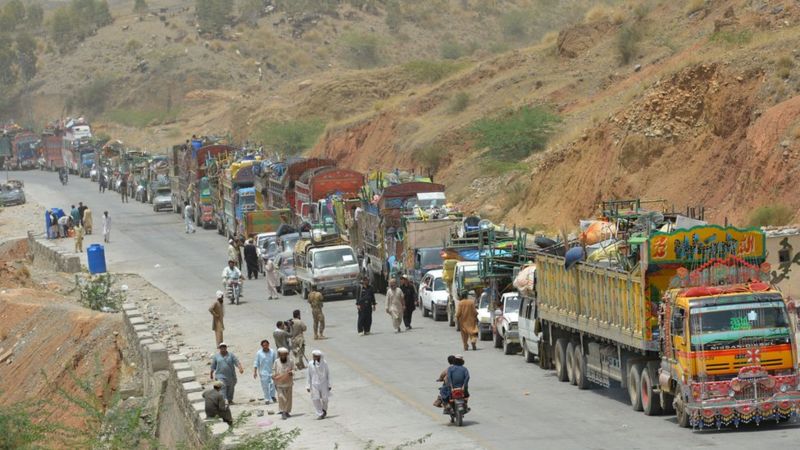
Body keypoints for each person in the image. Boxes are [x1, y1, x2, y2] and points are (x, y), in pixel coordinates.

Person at [306, 349, 331, 419]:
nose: (314, 357)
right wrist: (308, 386)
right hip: (314, 384)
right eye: (313, 356)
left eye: (316, 356)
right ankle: (320, 413)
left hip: (324, 383)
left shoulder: (324, 363)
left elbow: (328, 374)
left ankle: (324, 410)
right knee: (315, 399)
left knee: (325, 399)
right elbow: (309, 375)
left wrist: (329, 385)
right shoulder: (310, 364)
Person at [272, 347, 294, 420]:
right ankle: (283, 411)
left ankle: (286, 411)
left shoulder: (290, 361)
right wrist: (274, 376)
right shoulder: (276, 361)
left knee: (288, 398)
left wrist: (291, 373)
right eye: (281, 355)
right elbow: (273, 370)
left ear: (287, 354)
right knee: (281, 398)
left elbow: (294, 370)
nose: (283, 356)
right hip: (279, 383)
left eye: (284, 355)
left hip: (288, 382)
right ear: (279, 355)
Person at [253, 339, 277, 405]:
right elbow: (256, 362)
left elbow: (276, 361)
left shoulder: (272, 352)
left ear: (268, 345)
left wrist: (277, 371)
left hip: (272, 371)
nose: (265, 346)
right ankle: (267, 399)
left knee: (273, 384)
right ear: (262, 346)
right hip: (263, 372)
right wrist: (255, 372)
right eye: (263, 345)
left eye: (266, 345)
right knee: (265, 386)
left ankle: (272, 396)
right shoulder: (259, 353)